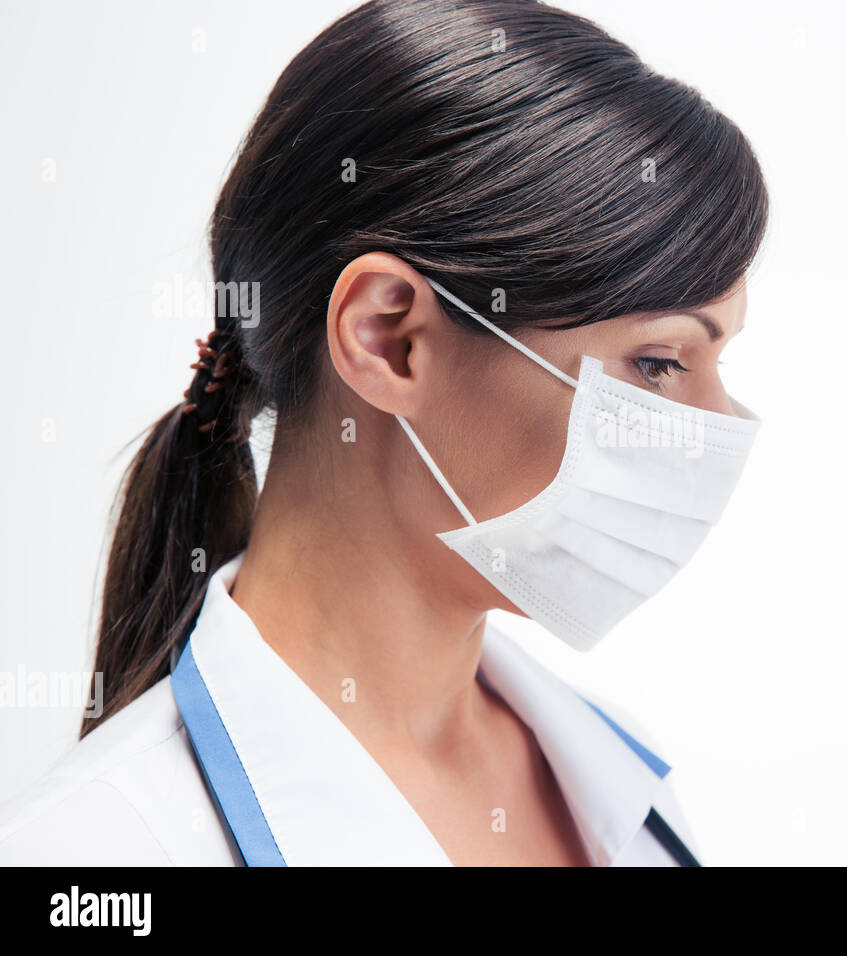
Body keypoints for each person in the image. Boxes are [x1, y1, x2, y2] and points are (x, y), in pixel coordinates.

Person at [0, 0, 768, 866]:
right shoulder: (95, 854)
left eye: (719, 363)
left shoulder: (620, 789)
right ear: (388, 339)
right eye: (660, 363)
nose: (717, 429)